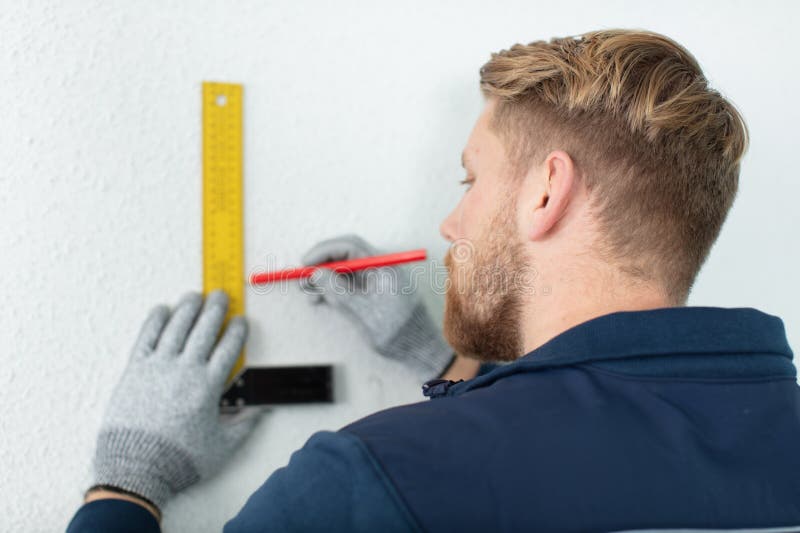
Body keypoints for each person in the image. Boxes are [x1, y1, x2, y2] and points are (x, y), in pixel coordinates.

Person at [66, 28, 800, 532]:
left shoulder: (371, 479)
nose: (450, 224)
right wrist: (450, 366)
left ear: (546, 191)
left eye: (469, 179)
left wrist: (126, 482)